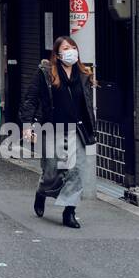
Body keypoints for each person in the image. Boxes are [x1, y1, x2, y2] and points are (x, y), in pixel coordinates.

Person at [19, 36, 97, 229]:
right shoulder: (46, 73)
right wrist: (27, 125)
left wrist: (91, 127)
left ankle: (69, 211)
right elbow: (31, 98)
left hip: (77, 129)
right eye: (65, 48)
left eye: (73, 47)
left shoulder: (84, 74)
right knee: (53, 170)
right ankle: (42, 191)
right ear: (57, 53)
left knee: (76, 170)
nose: (70, 51)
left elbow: (87, 104)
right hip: (52, 128)